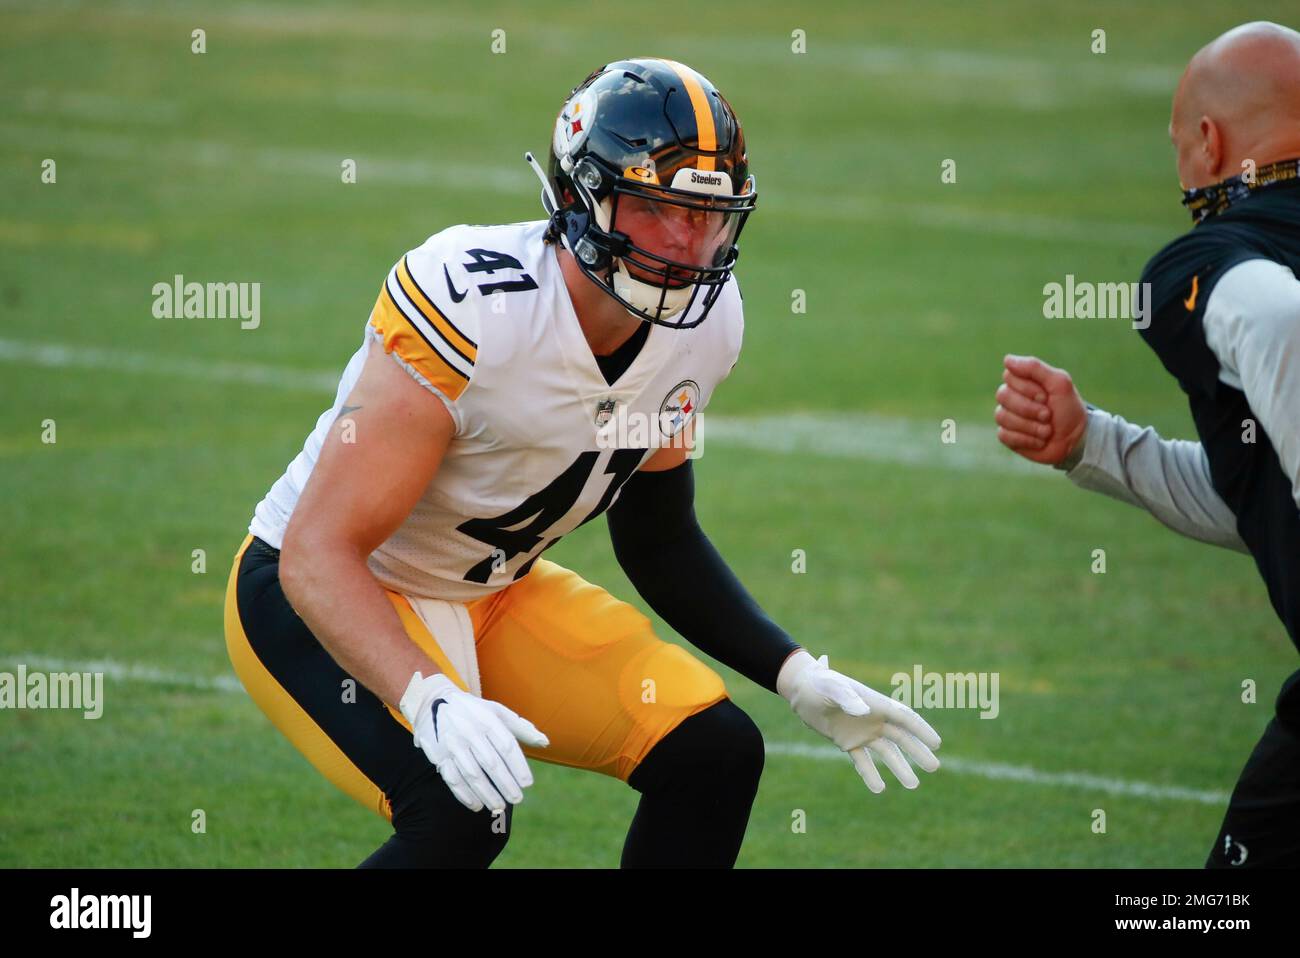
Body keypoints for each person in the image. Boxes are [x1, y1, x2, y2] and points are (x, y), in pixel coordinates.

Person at [223, 57, 940, 869]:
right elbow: (319, 552)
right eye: (656, 208)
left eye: (706, 214)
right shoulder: (473, 305)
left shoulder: (707, 325)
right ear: (579, 197)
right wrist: (429, 697)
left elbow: (659, 538)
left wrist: (792, 671)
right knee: (461, 816)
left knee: (714, 755)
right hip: (323, 591)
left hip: (490, 593)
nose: (686, 241)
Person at [995, 23, 1300, 867]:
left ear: (1209, 141)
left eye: (1177, 149)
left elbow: (1279, 318)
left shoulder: (1205, 262)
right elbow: (1265, 502)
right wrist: (1095, 444)